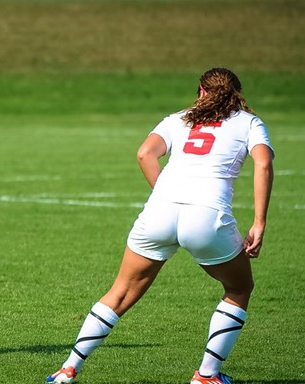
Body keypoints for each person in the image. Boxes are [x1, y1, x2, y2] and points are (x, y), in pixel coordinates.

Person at [46, 68, 274, 384]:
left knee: (120, 292)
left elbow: (145, 154)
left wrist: (165, 194)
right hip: (207, 217)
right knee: (239, 288)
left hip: (159, 212)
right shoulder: (249, 122)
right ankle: (206, 375)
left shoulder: (179, 119)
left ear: (201, 91)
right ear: (236, 94)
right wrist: (259, 222)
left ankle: (67, 369)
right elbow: (263, 163)